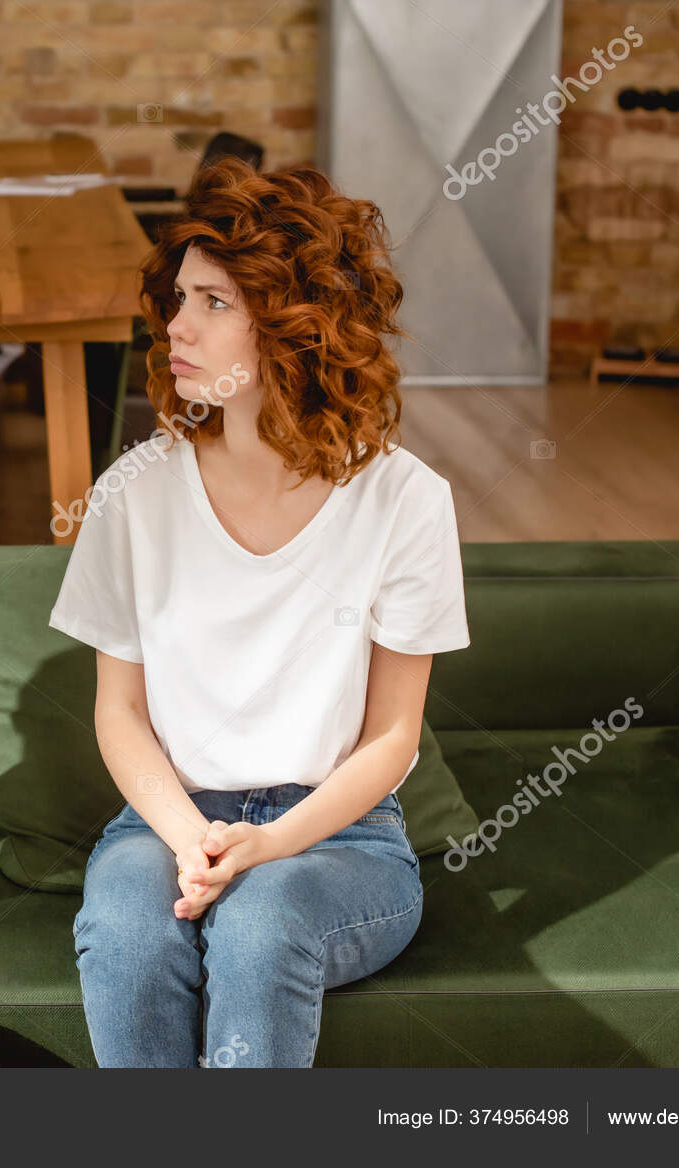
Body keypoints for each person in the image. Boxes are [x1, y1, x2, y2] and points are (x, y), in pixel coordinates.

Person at [49, 158, 471, 1067]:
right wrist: (194, 841)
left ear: (295, 327)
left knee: (263, 923)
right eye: (178, 298)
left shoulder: (406, 500)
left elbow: (393, 736)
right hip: (166, 821)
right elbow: (118, 712)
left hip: (342, 837)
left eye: (212, 303)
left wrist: (270, 843)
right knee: (125, 933)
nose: (175, 326)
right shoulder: (132, 494)